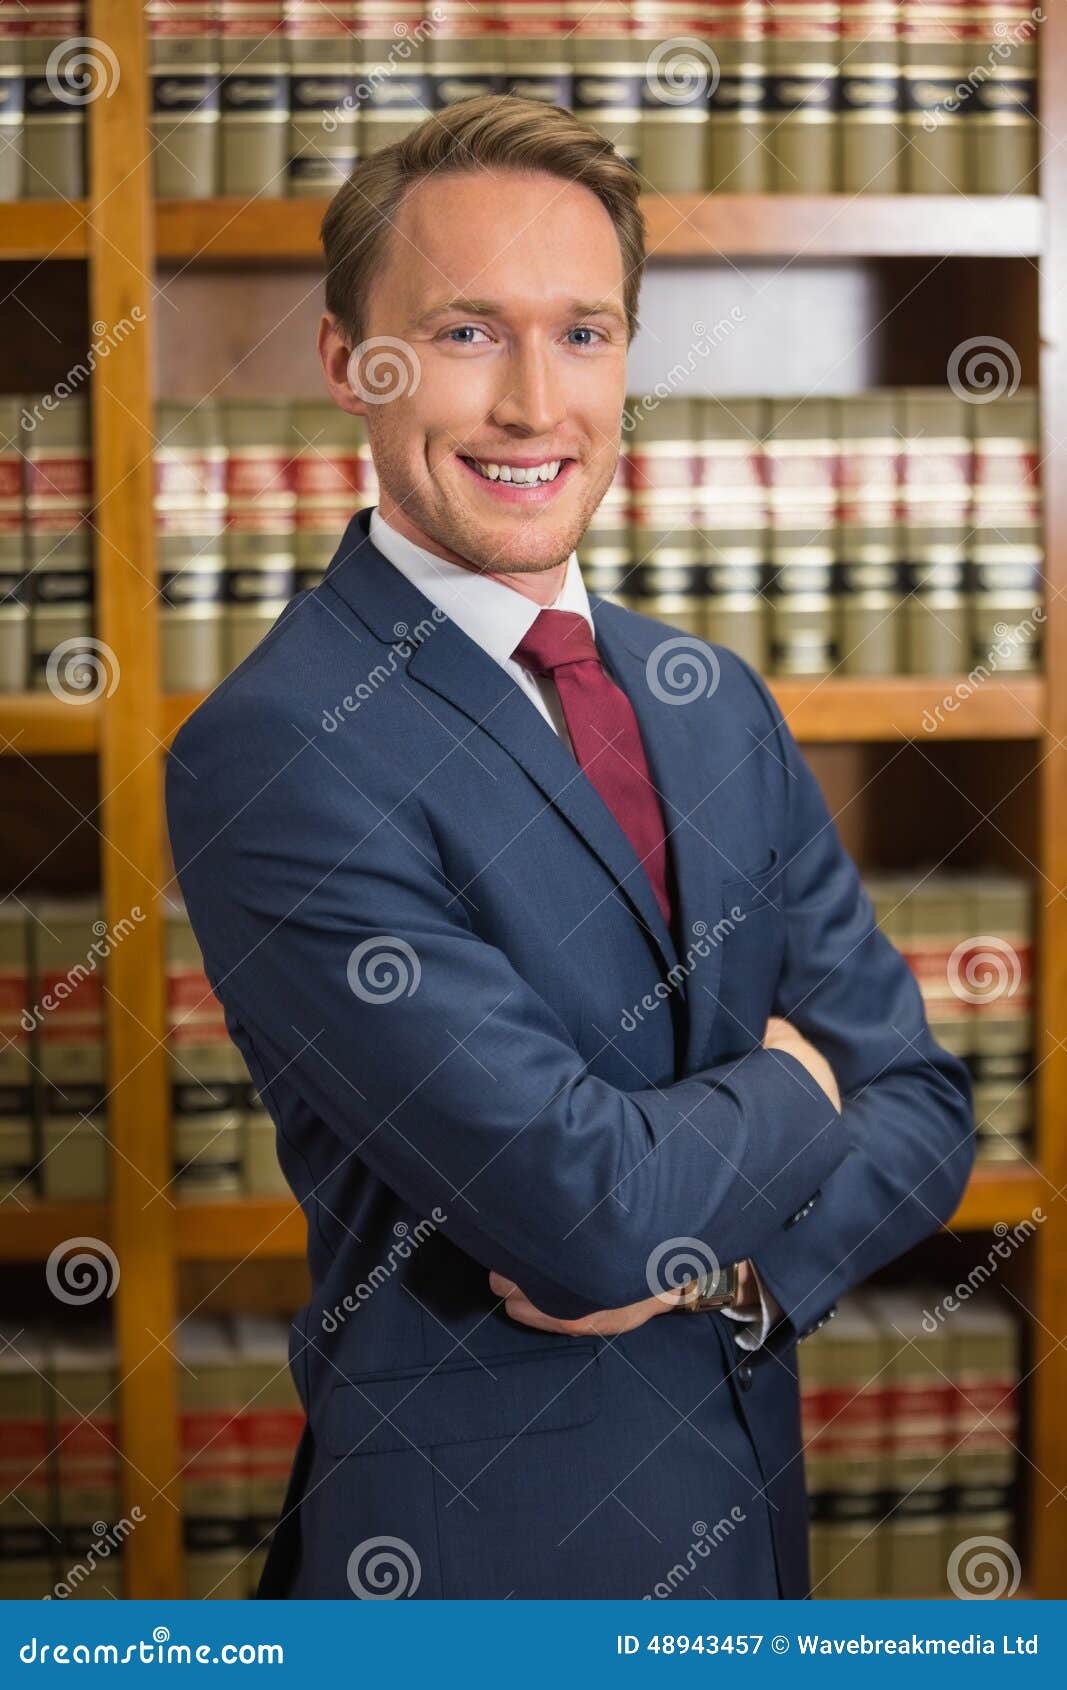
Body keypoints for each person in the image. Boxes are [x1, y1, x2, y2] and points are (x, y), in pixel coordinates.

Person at [165, 94, 975, 1601]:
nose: (537, 404)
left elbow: (927, 1107)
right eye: (469, 332)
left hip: (752, 1552)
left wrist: (730, 1262)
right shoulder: (283, 746)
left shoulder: (710, 697)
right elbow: (589, 1213)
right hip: (483, 1574)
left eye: (585, 333)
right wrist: (801, 1084)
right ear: (351, 364)